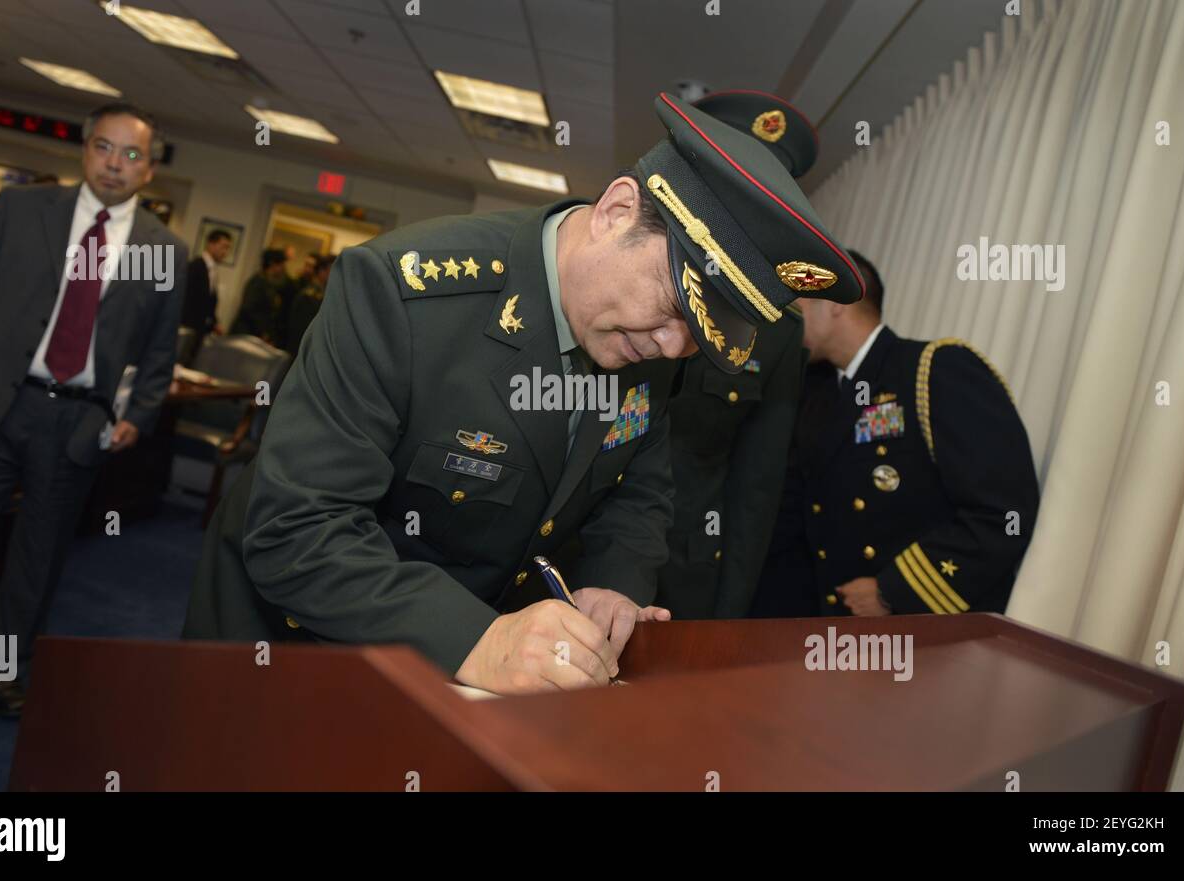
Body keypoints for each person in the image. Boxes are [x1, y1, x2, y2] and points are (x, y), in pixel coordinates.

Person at [183, 93, 863, 694]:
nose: (672, 346)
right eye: (675, 307)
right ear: (617, 211)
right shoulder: (403, 293)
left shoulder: (640, 338)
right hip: (289, 644)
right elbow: (299, 526)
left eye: (699, 336)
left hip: (452, 669)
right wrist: (475, 637)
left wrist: (616, 582)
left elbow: (637, 483)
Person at [0, 103, 187, 725]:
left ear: (149, 171)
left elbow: (160, 350)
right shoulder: (21, 209)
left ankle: (7, 669)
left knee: (37, 558)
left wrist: (140, 413)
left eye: (132, 155)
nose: (115, 164)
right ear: (85, 150)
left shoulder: (161, 249)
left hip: (78, 424)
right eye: (104, 148)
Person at [753, 251, 1040, 618]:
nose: (782, 319)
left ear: (835, 300)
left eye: (794, 303)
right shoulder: (818, 393)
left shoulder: (935, 370)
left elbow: (1005, 514)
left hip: (921, 636)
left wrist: (894, 591)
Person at [656, 90, 818, 619]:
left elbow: (756, 485)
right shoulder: (625, 258)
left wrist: (727, 613)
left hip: (679, 573)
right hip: (567, 551)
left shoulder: (775, 330)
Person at [182, 229, 232, 359]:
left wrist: (214, 322)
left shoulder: (213, 270)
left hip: (200, 331)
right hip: (189, 329)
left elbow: (208, 302)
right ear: (211, 244)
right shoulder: (195, 266)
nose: (225, 252)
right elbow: (188, 301)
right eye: (223, 247)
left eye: (228, 249)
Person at [230, 248, 287, 347]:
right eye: (281, 265)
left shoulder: (267, 282)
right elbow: (249, 309)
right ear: (272, 264)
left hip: (252, 335)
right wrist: (262, 332)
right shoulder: (258, 282)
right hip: (246, 334)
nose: (283, 269)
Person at [284, 253, 333, 354]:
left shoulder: (324, 294)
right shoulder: (308, 296)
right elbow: (301, 330)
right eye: (331, 271)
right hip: (300, 351)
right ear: (321, 272)